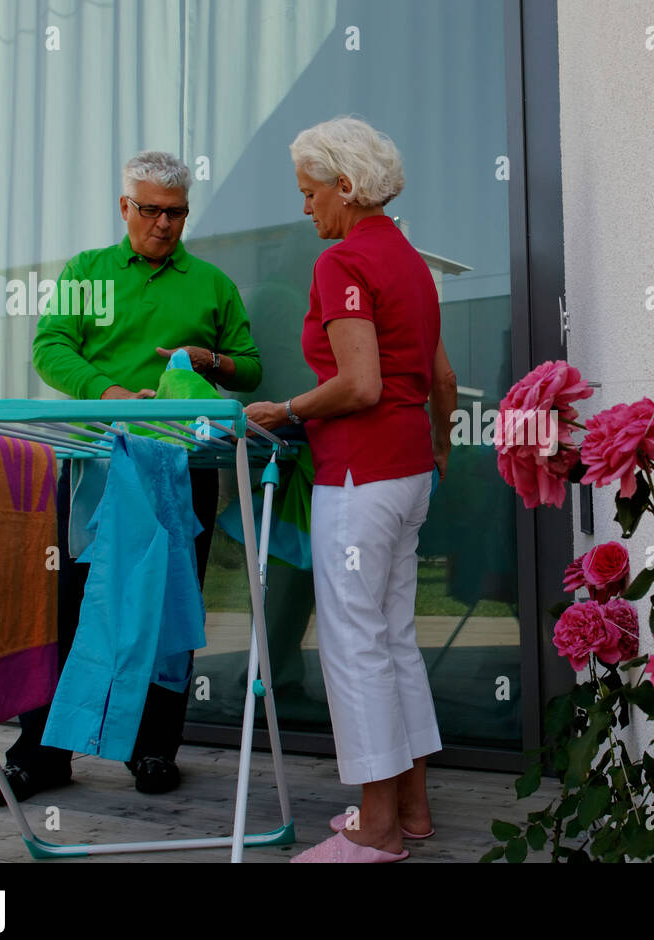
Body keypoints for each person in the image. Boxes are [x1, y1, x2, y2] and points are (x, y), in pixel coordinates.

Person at [0, 151, 263, 803]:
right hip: (97, 465)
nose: (164, 224)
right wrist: (106, 392)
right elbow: (50, 347)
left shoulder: (213, 285)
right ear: (125, 207)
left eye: (177, 212)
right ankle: (43, 753)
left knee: (170, 609)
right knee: (69, 607)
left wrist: (208, 358)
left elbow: (249, 366)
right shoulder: (88, 271)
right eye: (152, 210)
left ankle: (154, 749)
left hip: (180, 469)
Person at [245, 117, 457, 863]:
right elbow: (442, 380)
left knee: (355, 647)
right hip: (407, 477)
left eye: (310, 193)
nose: (306, 209)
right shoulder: (411, 260)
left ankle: (378, 830)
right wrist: (436, 445)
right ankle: (413, 807)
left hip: (359, 478)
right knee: (394, 638)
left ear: (346, 185)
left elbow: (361, 384)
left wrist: (287, 409)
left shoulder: (343, 263)